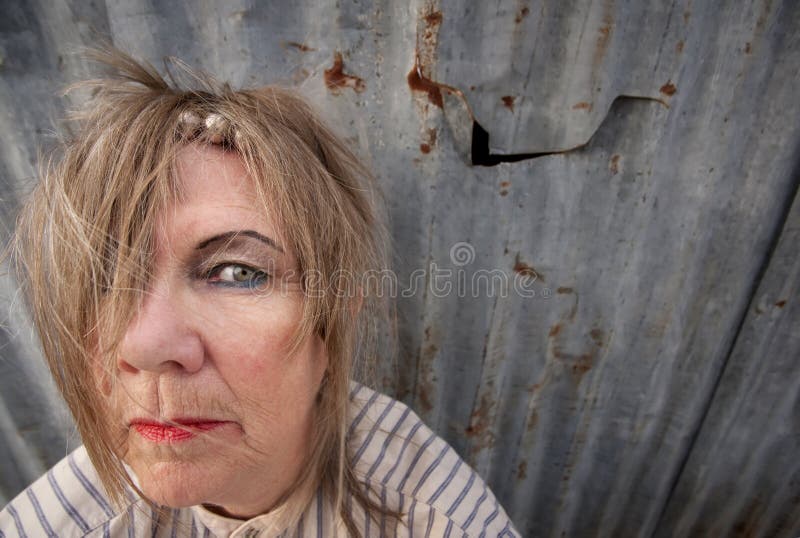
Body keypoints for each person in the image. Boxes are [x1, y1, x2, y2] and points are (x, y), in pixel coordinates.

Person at [0, 48, 519, 537]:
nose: (142, 347)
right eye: (103, 275)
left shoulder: (432, 518)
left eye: (236, 273)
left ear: (334, 315)